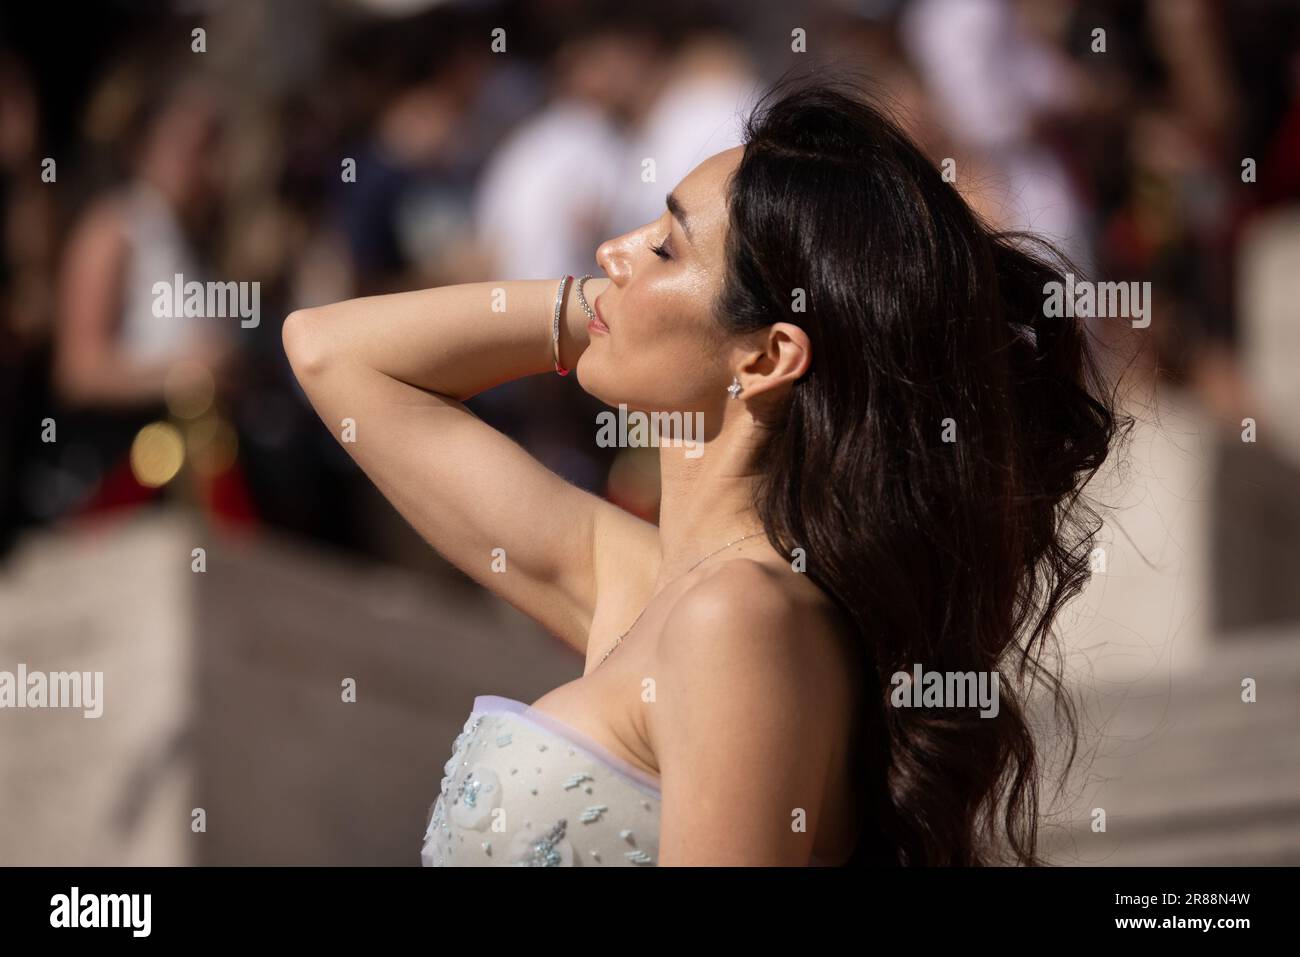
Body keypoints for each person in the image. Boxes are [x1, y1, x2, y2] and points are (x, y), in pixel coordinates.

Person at [282, 75, 1121, 866]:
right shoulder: (647, 587)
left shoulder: (738, 616)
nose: (611, 250)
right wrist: (602, 307)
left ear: (766, 358)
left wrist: (625, 316)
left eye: (664, 245)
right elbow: (329, 354)